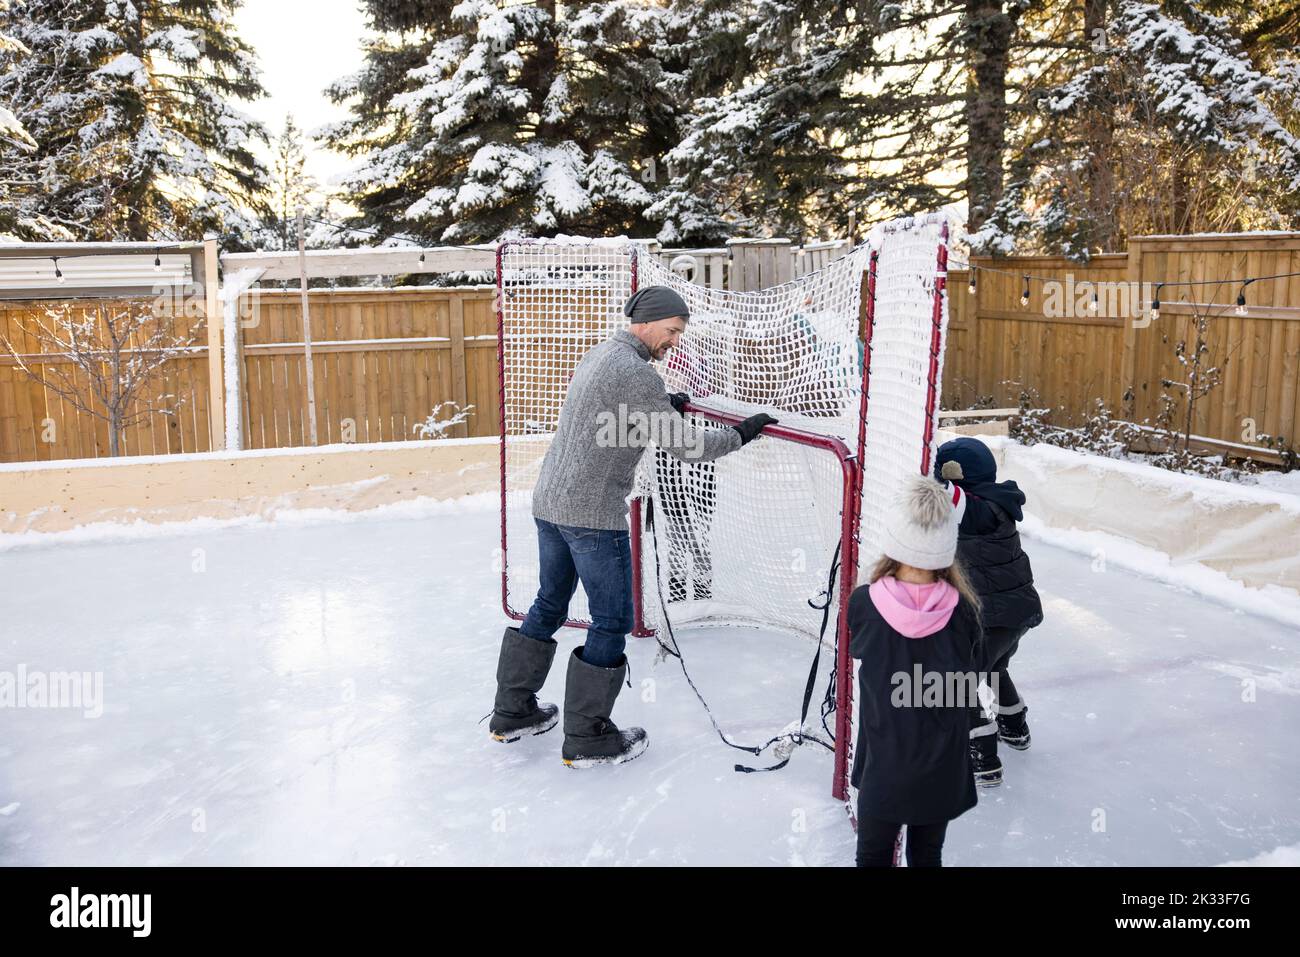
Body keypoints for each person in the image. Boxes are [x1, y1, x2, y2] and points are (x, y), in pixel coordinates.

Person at [489, 285, 778, 767]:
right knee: (611, 619)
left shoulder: (602, 354)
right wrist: (741, 434)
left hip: (551, 503)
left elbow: (613, 415)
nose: (675, 342)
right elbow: (689, 447)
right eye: (671, 331)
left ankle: (512, 712)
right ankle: (588, 736)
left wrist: (664, 405)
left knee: (549, 602)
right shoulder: (635, 372)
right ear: (645, 322)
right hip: (591, 515)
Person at [848, 474, 982, 867]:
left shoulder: (865, 604)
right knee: (927, 856)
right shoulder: (965, 611)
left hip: (885, 763)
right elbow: (966, 684)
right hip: (941, 765)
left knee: (872, 856)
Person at [934, 437, 1044, 788]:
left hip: (989, 618)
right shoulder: (998, 499)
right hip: (1013, 615)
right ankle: (1014, 727)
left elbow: (943, 493)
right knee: (994, 668)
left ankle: (982, 757)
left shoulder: (975, 509)